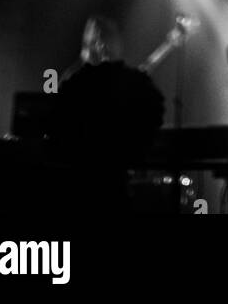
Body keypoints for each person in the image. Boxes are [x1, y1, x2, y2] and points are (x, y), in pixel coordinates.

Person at [49, 15, 165, 212]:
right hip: (102, 181)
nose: (103, 43)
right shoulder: (76, 80)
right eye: (100, 38)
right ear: (93, 42)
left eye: (105, 38)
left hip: (84, 182)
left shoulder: (74, 81)